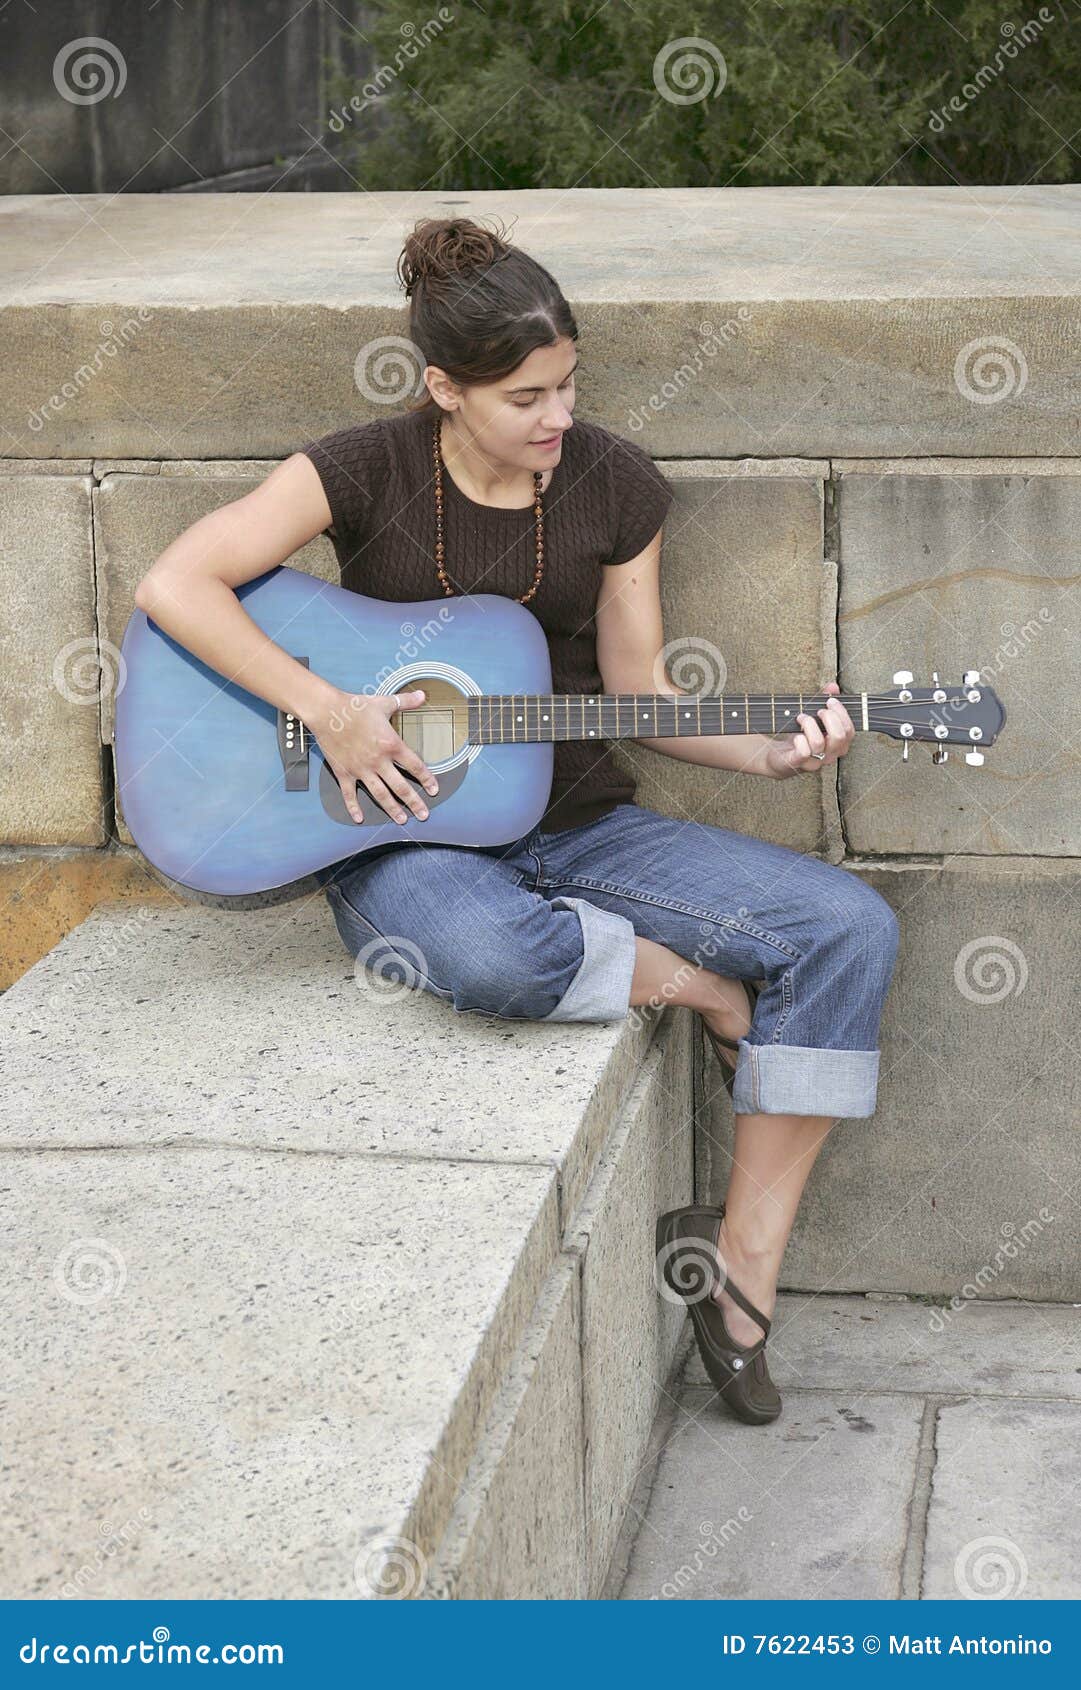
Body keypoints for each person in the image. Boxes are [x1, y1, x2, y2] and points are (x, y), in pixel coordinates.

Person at [132, 215, 899, 1427]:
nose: (558, 417)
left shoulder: (615, 484)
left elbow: (639, 694)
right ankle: (705, 992)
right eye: (527, 395)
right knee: (487, 949)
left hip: (580, 820)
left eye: (569, 384)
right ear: (444, 388)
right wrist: (329, 709)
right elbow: (172, 582)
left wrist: (769, 751)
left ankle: (738, 1267)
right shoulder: (363, 468)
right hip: (400, 831)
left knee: (849, 927)